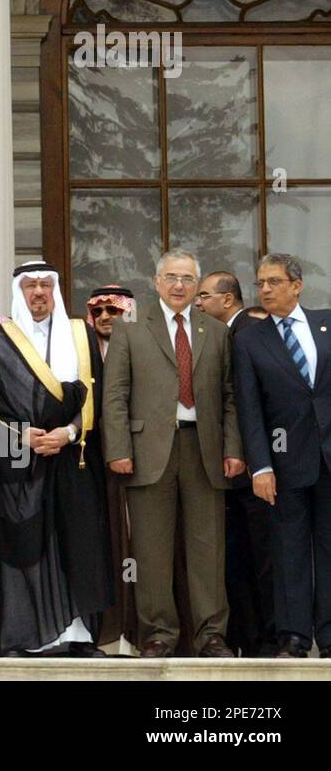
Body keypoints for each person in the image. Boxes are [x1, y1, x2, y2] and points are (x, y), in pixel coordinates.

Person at [103, 249, 242, 658]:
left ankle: (211, 635)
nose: (179, 285)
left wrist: (234, 448)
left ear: (196, 285)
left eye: (186, 278)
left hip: (205, 449)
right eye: (171, 277)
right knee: (150, 549)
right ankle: (159, 634)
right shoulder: (130, 329)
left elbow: (231, 396)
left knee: (207, 548)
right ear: (157, 281)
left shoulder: (216, 331)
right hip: (147, 452)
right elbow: (115, 396)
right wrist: (118, 449)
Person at [0, 261, 112, 656]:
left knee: (77, 543)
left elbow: (96, 392)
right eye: (31, 286)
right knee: (27, 546)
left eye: (45, 286)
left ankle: (78, 636)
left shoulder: (80, 333)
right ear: (19, 292)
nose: (39, 293)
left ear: (55, 290)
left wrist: (69, 433)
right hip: (20, 462)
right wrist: (21, 434)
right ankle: (25, 637)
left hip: (73, 458)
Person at [234, 253, 331, 658]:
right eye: (260, 283)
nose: (266, 290)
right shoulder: (249, 339)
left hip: (328, 458)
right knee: (288, 549)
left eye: (274, 281)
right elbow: (248, 407)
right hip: (284, 460)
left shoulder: (327, 324)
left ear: (297, 285)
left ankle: (329, 635)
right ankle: (293, 636)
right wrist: (260, 465)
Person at [197, 270, 276, 657]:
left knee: (260, 557)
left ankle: (266, 637)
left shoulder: (246, 330)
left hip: (251, 469)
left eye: (204, 296)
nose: (197, 303)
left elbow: (248, 403)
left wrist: (250, 458)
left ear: (227, 300)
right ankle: (250, 636)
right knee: (241, 558)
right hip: (233, 471)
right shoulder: (225, 333)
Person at [84, 284, 138, 653]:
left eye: (113, 311)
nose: (105, 317)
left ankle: (136, 629)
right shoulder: (82, 352)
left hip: (134, 462)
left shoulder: (142, 347)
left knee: (133, 546)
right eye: (99, 311)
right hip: (87, 465)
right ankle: (99, 631)